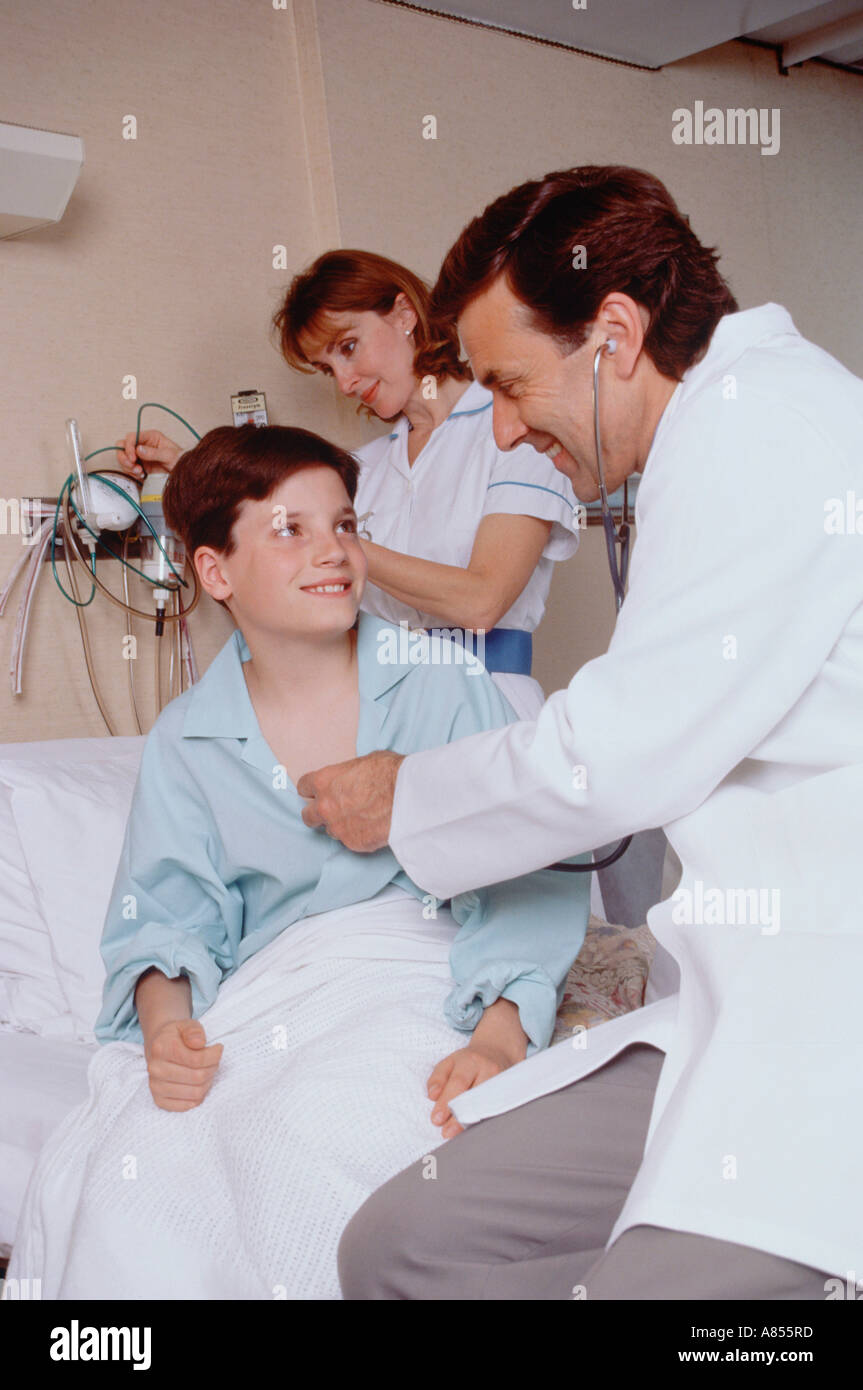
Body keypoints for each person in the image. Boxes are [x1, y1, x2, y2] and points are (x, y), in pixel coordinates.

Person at [293, 166, 863, 1300]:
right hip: (730, 1005)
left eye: (508, 383)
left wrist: (400, 795)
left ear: (613, 330)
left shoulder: (767, 426)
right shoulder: (712, 435)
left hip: (827, 1020)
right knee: (401, 1246)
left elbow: (612, 755)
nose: (500, 425)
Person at [5, 423, 590, 1300]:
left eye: (345, 524)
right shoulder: (188, 742)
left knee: (325, 1138)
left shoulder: (441, 684)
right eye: (291, 529)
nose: (335, 551)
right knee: (138, 1172)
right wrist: (167, 1032)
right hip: (271, 997)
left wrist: (499, 1037)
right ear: (215, 571)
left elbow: (527, 875)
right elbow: (164, 922)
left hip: (424, 974)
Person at [114, 251, 583, 721]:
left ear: (404, 314)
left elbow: (482, 602)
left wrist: (338, 540)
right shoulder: (368, 467)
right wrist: (194, 470)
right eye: (327, 368)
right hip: (378, 707)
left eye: (349, 347)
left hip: (490, 703)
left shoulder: (516, 432)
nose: (344, 383)